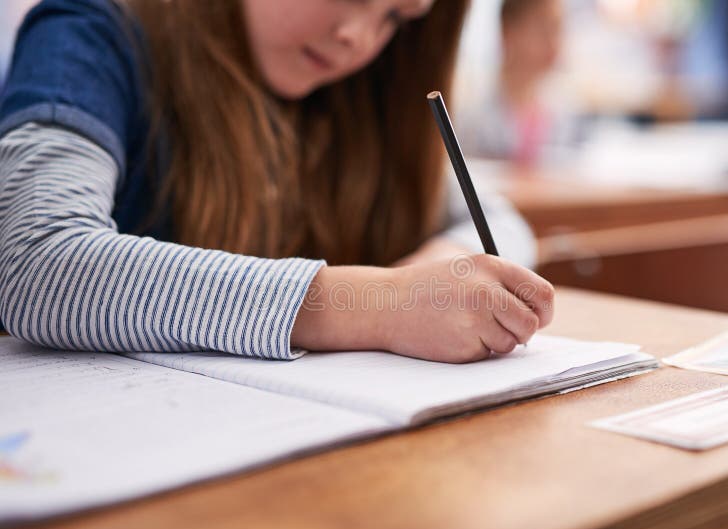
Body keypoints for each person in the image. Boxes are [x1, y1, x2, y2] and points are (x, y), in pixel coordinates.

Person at [0, 0, 554, 364]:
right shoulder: (90, 34)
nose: (358, 38)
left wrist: (434, 274)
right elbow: (33, 261)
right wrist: (377, 304)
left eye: (395, 17)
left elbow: (500, 221)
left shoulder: (356, 94)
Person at [458, 0, 573, 166]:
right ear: (508, 31)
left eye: (558, 29)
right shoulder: (471, 113)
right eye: (542, 29)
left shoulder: (564, 111)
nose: (553, 42)